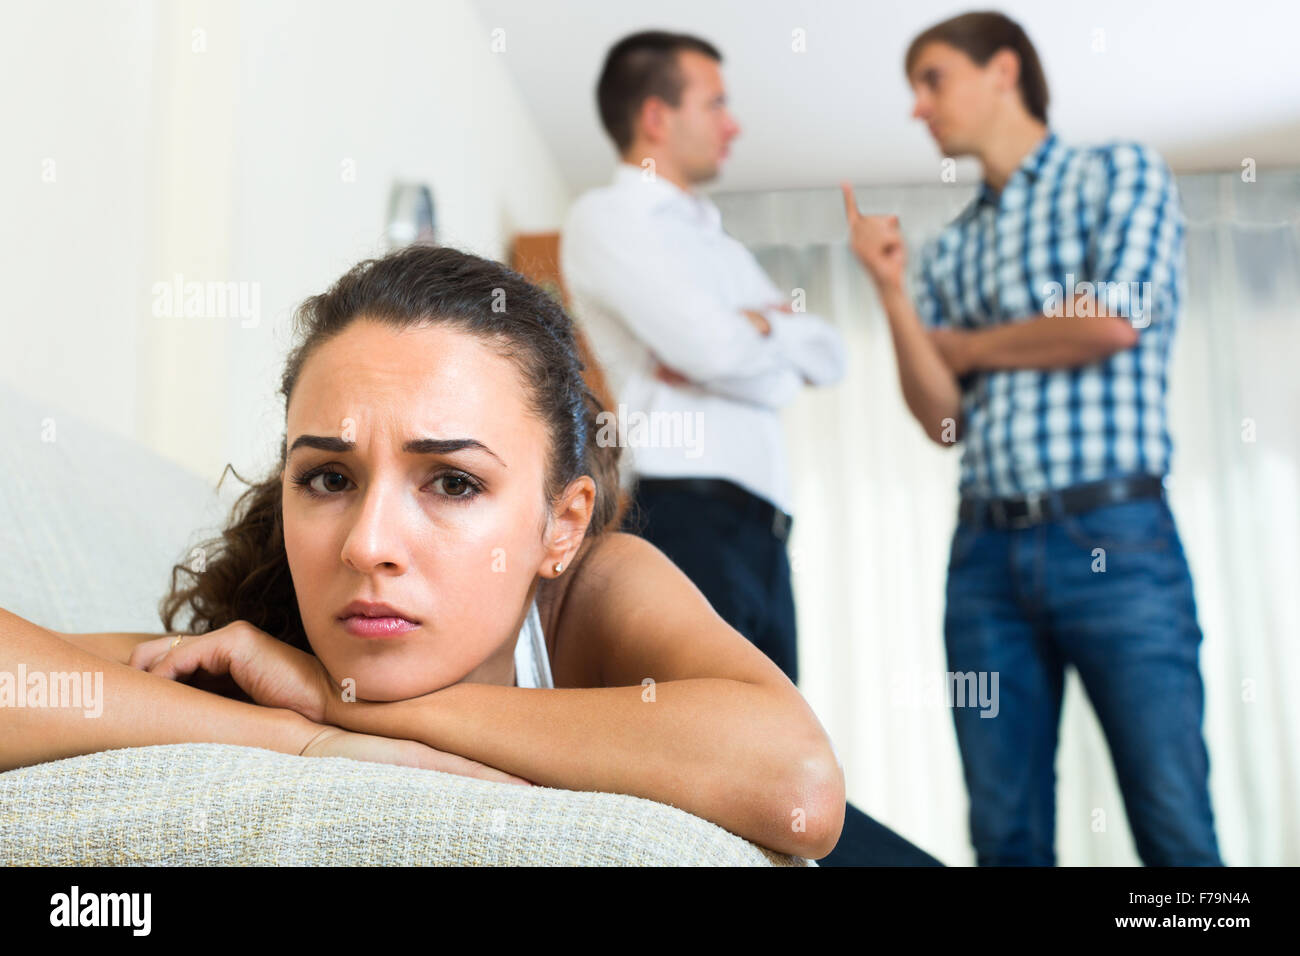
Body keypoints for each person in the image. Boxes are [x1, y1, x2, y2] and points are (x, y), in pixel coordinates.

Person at [0, 243, 846, 861]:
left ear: (561, 524)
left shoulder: (594, 591)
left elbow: (800, 784)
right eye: (329, 479)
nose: (368, 545)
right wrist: (293, 738)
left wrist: (344, 704)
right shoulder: (258, 646)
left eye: (452, 483)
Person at [842, 10, 1221, 866]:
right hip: (983, 559)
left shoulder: (1115, 172)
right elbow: (944, 420)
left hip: (1115, 542)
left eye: (932, 79)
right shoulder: (947, 253)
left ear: (1003, 70)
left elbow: (1118, 317)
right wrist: (894, 294)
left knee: (1173, 820)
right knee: (1004, 832)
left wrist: (970, 346)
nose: (917, 107)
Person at [563, 30, 941, 867]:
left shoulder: (720, 247)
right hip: (687, 519)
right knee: (728, 778)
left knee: (775, 778)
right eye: (718, 103)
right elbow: (718, 355)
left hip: (765, 534)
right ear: (657, 116)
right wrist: (757, 338)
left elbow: (827, 354)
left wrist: (748, 333)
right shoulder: (608, 218)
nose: (735, 126)